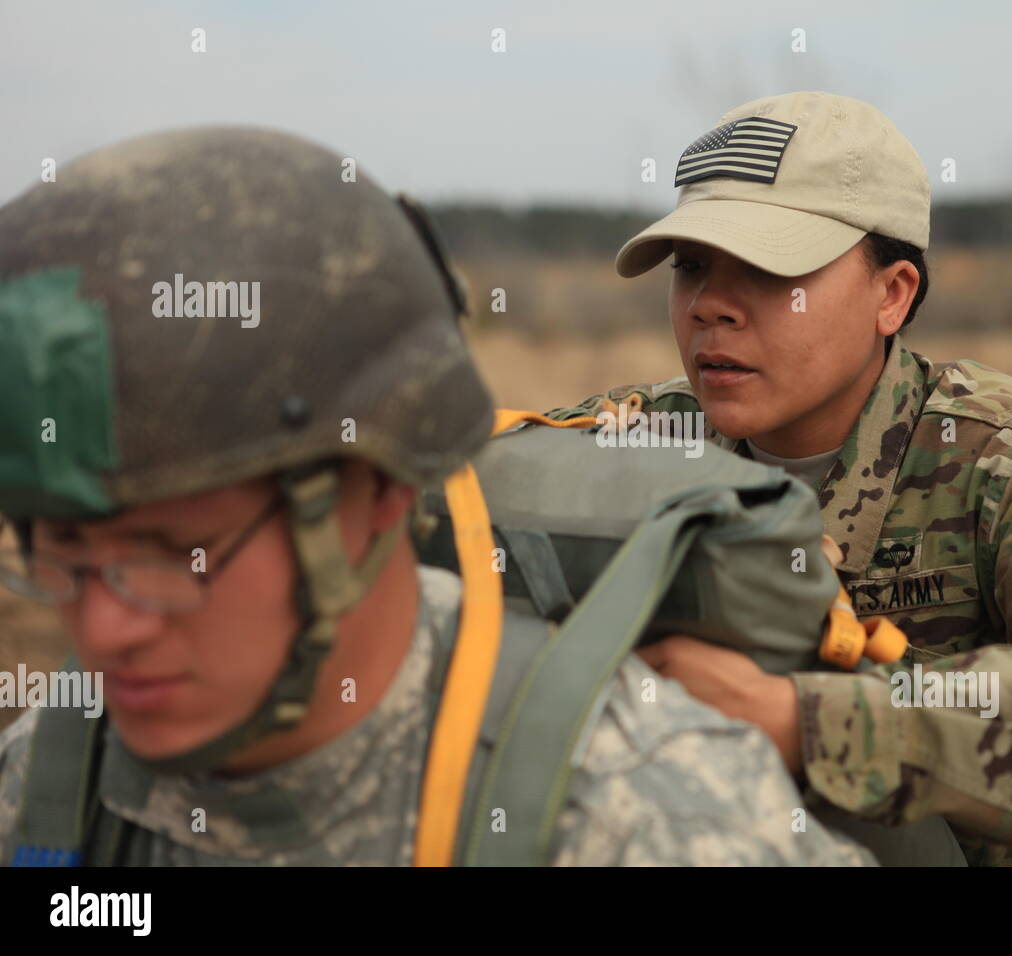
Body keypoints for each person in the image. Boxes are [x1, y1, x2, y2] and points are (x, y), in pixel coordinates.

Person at [0, 126, 875, 867]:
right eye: (64, 552)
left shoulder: (656, 824)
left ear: (379, 487)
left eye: (172, 555)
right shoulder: (51, 776)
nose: (105, 630)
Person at [549, 91, 1012, 865]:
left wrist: (809, 723)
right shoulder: (630, 446)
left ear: (892, 293)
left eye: (772, 270)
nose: (710, 307)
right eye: (693, 266)